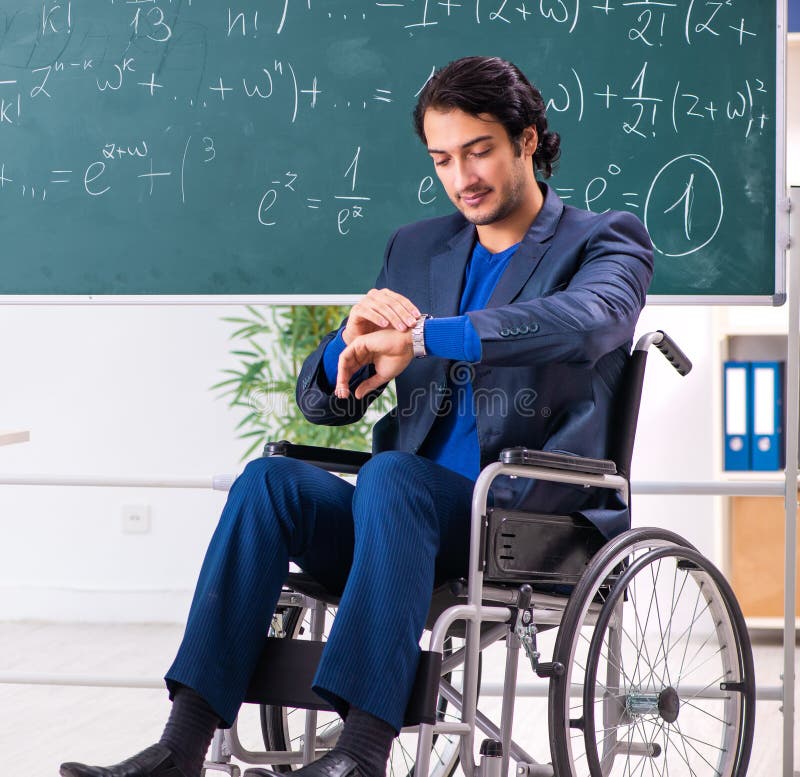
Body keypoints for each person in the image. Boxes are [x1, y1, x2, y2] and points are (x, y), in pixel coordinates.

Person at [60, 56, 653, 777]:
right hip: (395, 522)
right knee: (268, 482)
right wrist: (348, 344)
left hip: (521, 517)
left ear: (527, 140)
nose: (462, 176)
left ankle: (361, 752)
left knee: (395, 476)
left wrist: (431, 334)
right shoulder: (418, 246)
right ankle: (181, 745)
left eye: (480, 151)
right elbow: (323, 402)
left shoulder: (602, 240)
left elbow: (587, 323)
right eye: (442, 158)